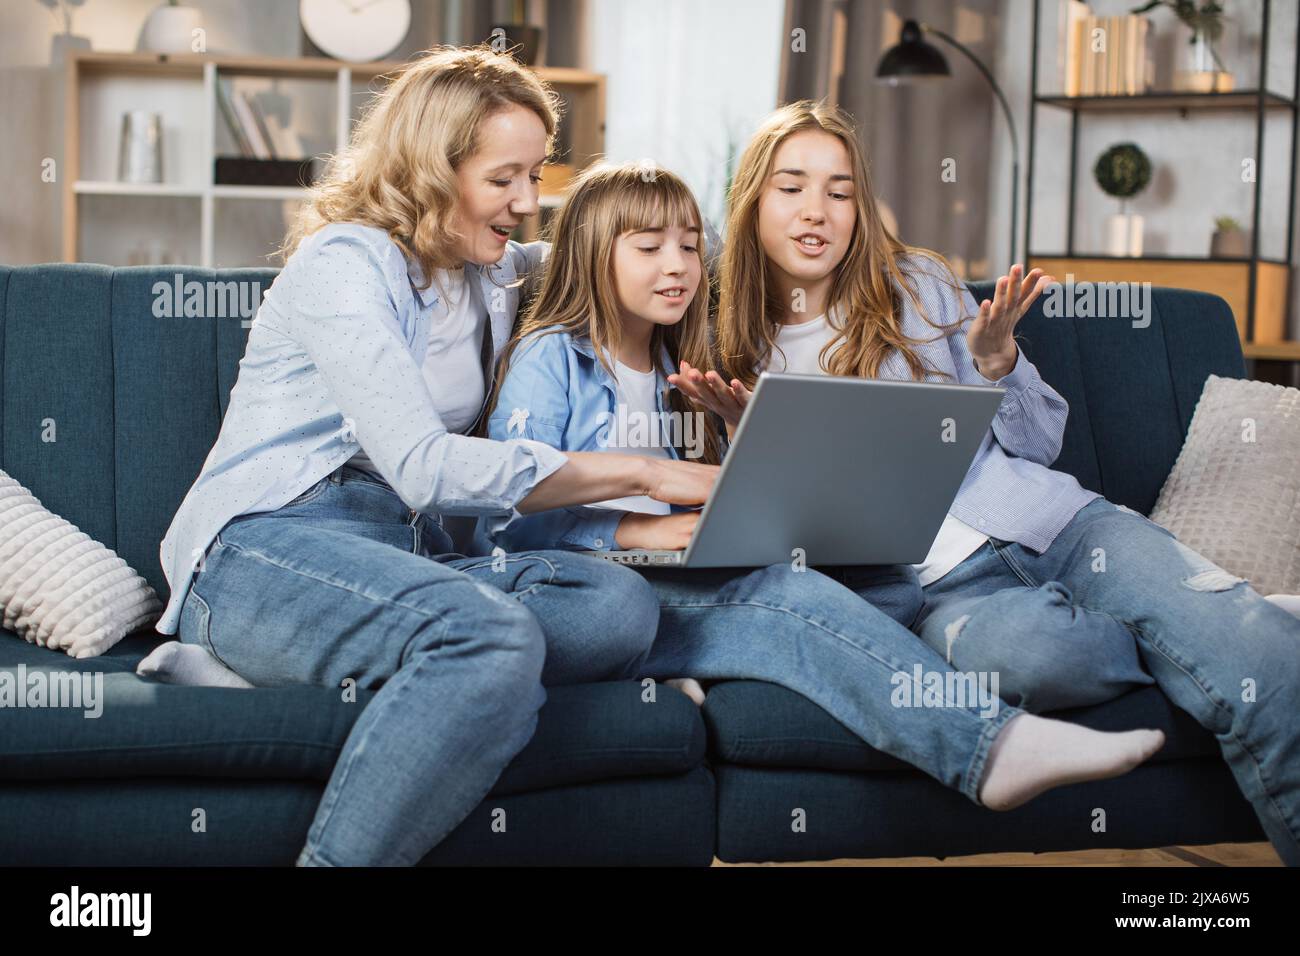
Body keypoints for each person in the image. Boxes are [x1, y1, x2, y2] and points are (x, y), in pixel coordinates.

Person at [674, 99, 1300, 865]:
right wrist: (749, 442)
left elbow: (1039, 445)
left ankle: (1228, 629)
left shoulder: (919, 284)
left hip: (1057, 529)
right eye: (792, 187)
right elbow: (758, 545)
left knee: (1264, 667)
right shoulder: (713, 335)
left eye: (839, 192)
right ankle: (1208, 621)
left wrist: (999, 361)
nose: (817, 212)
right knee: (1043, 662)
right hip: (934, 595)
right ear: (752, 201)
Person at [155, 47, 717, 867]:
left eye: (536, 175)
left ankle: (307, 670)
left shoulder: (487, 270)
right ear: (429, 169)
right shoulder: (345, 266)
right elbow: (422, 467)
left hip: (404, 556)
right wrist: (647, 471)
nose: (529, 204)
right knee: (490, 639)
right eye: (505, 179)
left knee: (616, 607)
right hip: (269, 546)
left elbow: (623, 253)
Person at [487, 160, 1168, 816]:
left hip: (672, 570)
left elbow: (698, 500)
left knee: (889, 585)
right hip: (586, 577)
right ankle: (989, 747)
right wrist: (634, 532)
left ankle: (698, 655)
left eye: (691, 247)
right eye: (648, 248)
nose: (678, 266)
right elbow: (507, 515)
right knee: (786, 596)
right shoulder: (553, 356)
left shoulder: (678, 363)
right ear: (587, 255)